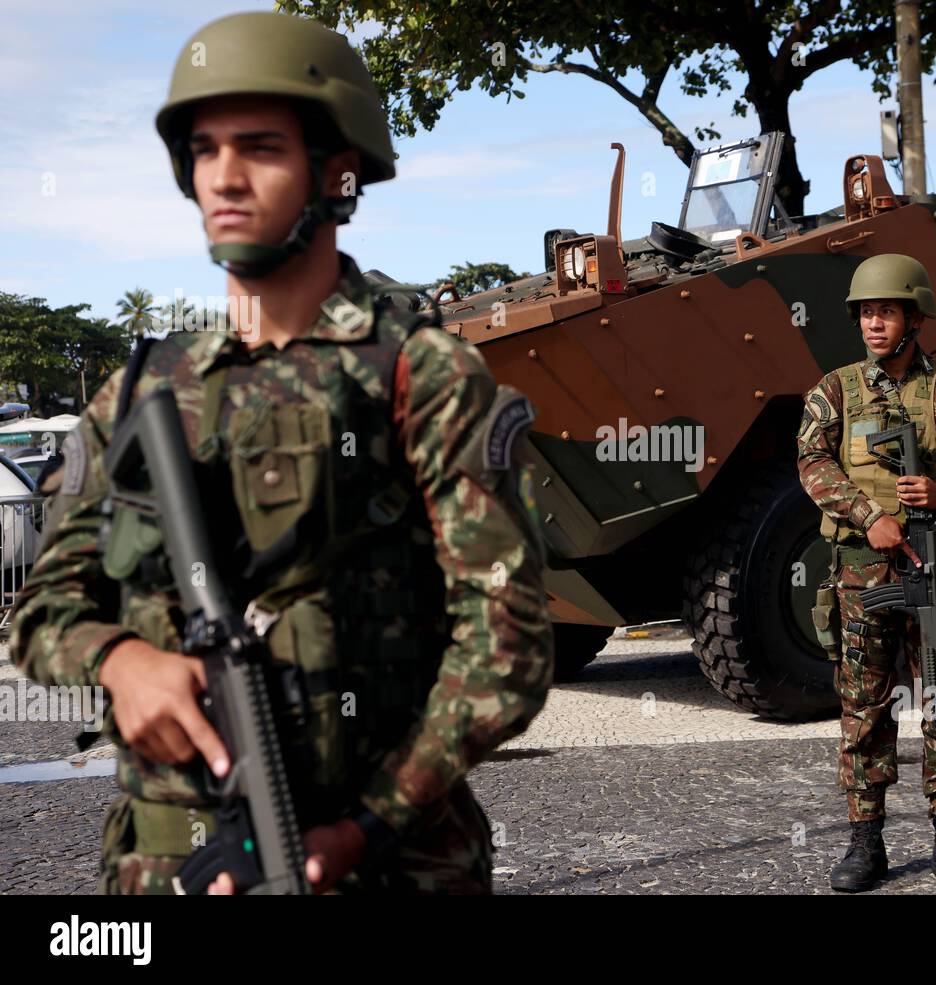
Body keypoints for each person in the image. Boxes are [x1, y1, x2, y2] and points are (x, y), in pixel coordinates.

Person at [11, 10, 553, 895]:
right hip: (172, 861)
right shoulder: (146, 388)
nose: (224, 175)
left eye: (260, 147)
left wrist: (365, 822)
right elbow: (42, 612)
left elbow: (508, 646)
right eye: (204, 148)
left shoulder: (420, 372)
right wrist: (121, 660)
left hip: (388, 860)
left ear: (337, 171)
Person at [796, 253, 936, 892]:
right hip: (863, 573)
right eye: (865, 313)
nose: (873, 324)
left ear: (915, 316)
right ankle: (866, 843)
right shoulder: (833, 391)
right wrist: (869, 517)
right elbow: (812, 465)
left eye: (885, 311)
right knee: (865, 707)